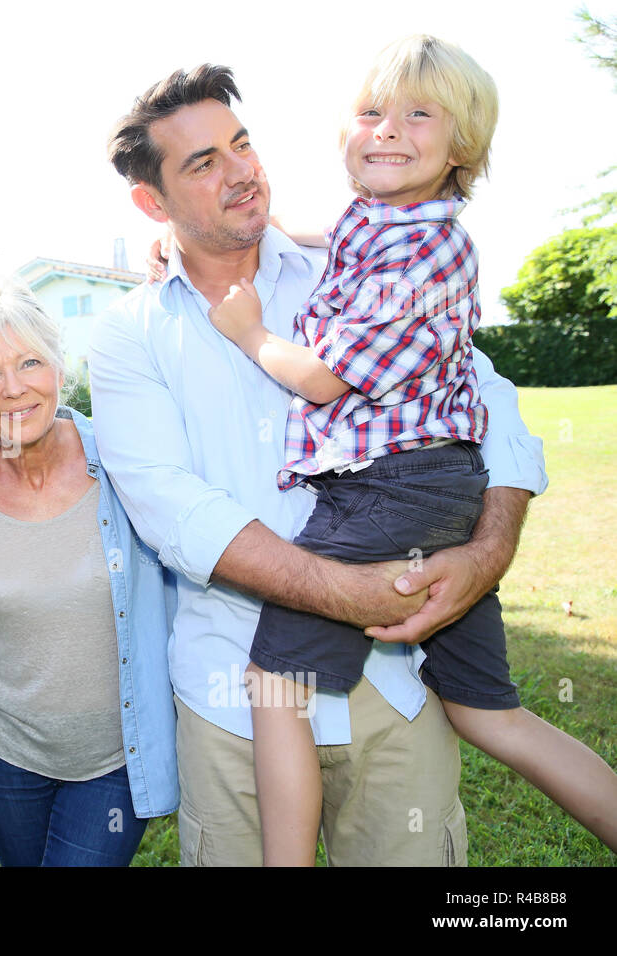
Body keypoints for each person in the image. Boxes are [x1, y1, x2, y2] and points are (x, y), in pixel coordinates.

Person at [91, 63, 549, 866]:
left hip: (396, 687)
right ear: (152, 205)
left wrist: (486, 554)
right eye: (202, 163)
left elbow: (494, 408)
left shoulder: (353, 264)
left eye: (241, 144)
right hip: (235, 702)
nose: (241, 170)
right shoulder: (129, 336)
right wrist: (343, 591)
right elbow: (174, 511)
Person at [206, 35, 617, 864]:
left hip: (394, 489)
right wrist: (276, 227)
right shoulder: (378, 220)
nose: (387, 130)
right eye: (370, 113)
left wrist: (251, 334)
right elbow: (338, 236)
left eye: (417, 115)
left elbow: (325, 379)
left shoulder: (429, 252)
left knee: (275, 684)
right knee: (484, 711)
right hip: (433, 486)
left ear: (461, 147)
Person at [0, 269, 177, 866]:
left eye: (30, 363)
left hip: (117, 757)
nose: (13, 389)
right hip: (7, 754)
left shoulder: (124, 464)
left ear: (60, 368)